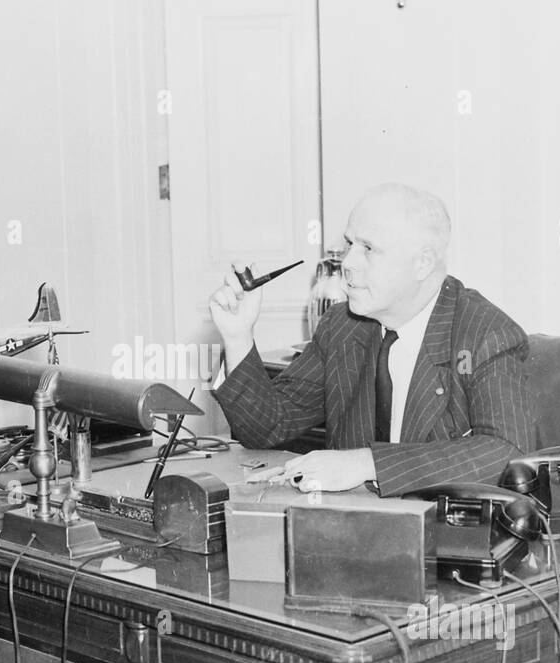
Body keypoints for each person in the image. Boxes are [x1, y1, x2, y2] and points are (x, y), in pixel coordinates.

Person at [209, 183, 537, 495]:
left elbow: (506, 452)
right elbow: (267, 428)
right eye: (350, 244)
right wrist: (238, 336)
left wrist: (368, 463)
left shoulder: (486, 334)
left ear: (422, 263)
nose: (348, 263)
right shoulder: (342, 326)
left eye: (368, 249)